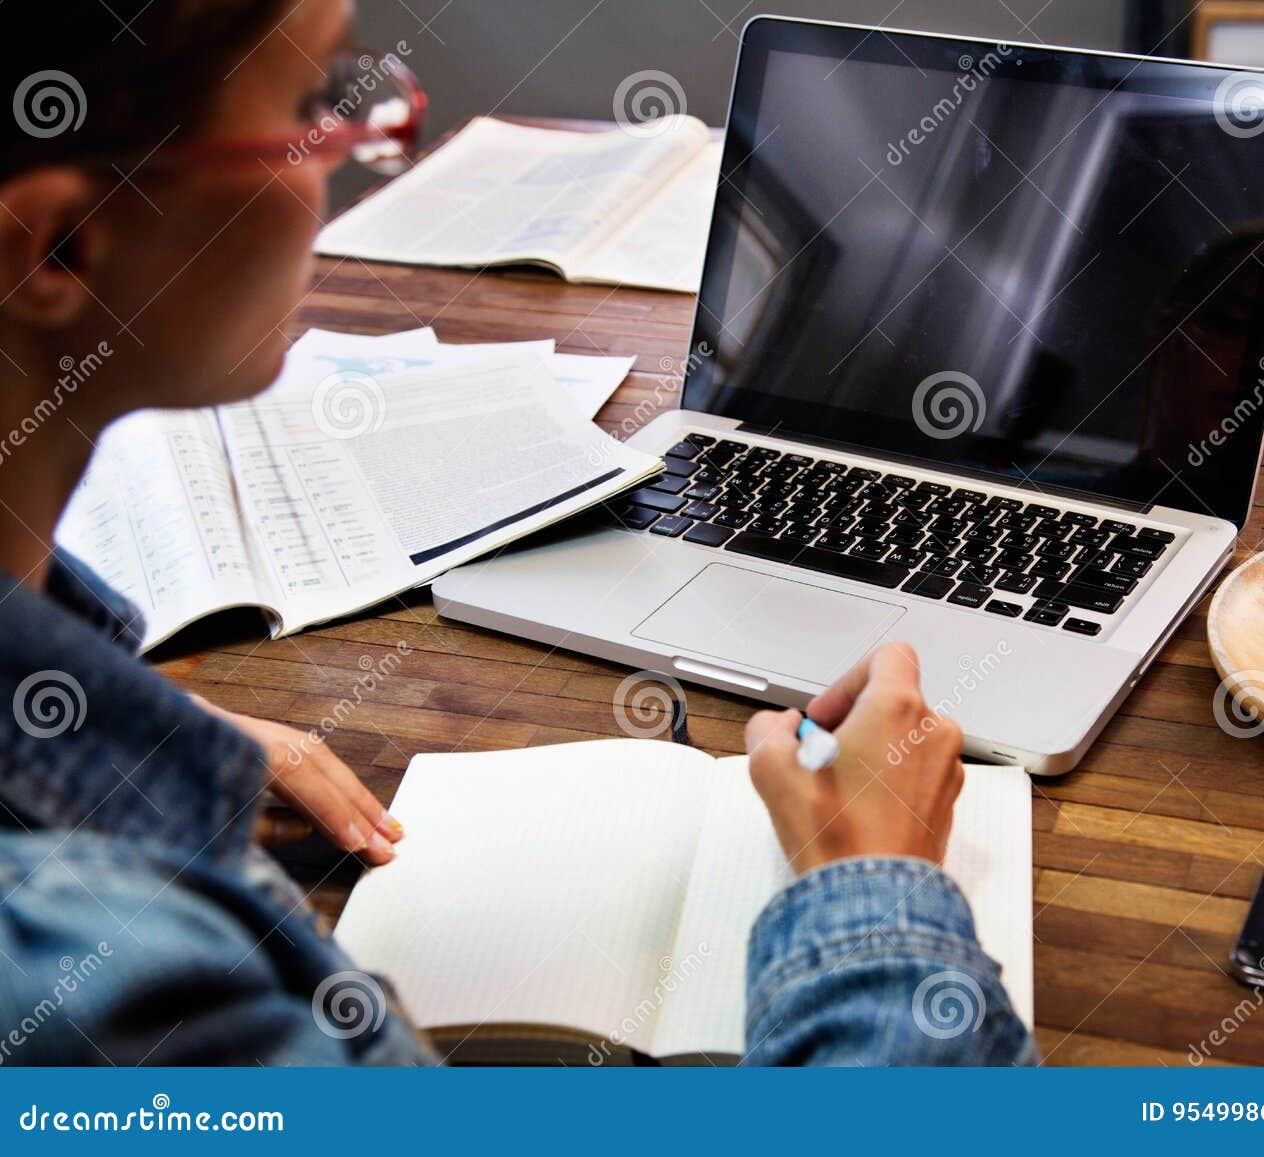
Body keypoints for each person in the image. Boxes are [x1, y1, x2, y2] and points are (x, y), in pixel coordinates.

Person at [0, 0, 1036, 1066]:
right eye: (313, 105)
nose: (351, 153)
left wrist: (116, 733)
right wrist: (872, 895)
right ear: (60, 249)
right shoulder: (99, 993)